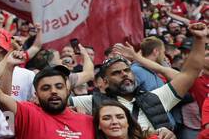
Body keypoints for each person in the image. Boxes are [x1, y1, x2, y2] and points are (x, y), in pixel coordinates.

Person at [71, 24, 207, 131]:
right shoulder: (93, 102)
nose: (124, 74)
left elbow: (189, 74)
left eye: (127, 70)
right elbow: (54, 97)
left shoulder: (156, 97)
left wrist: (200, 40)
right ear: (105, 83)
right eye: (116, 73)